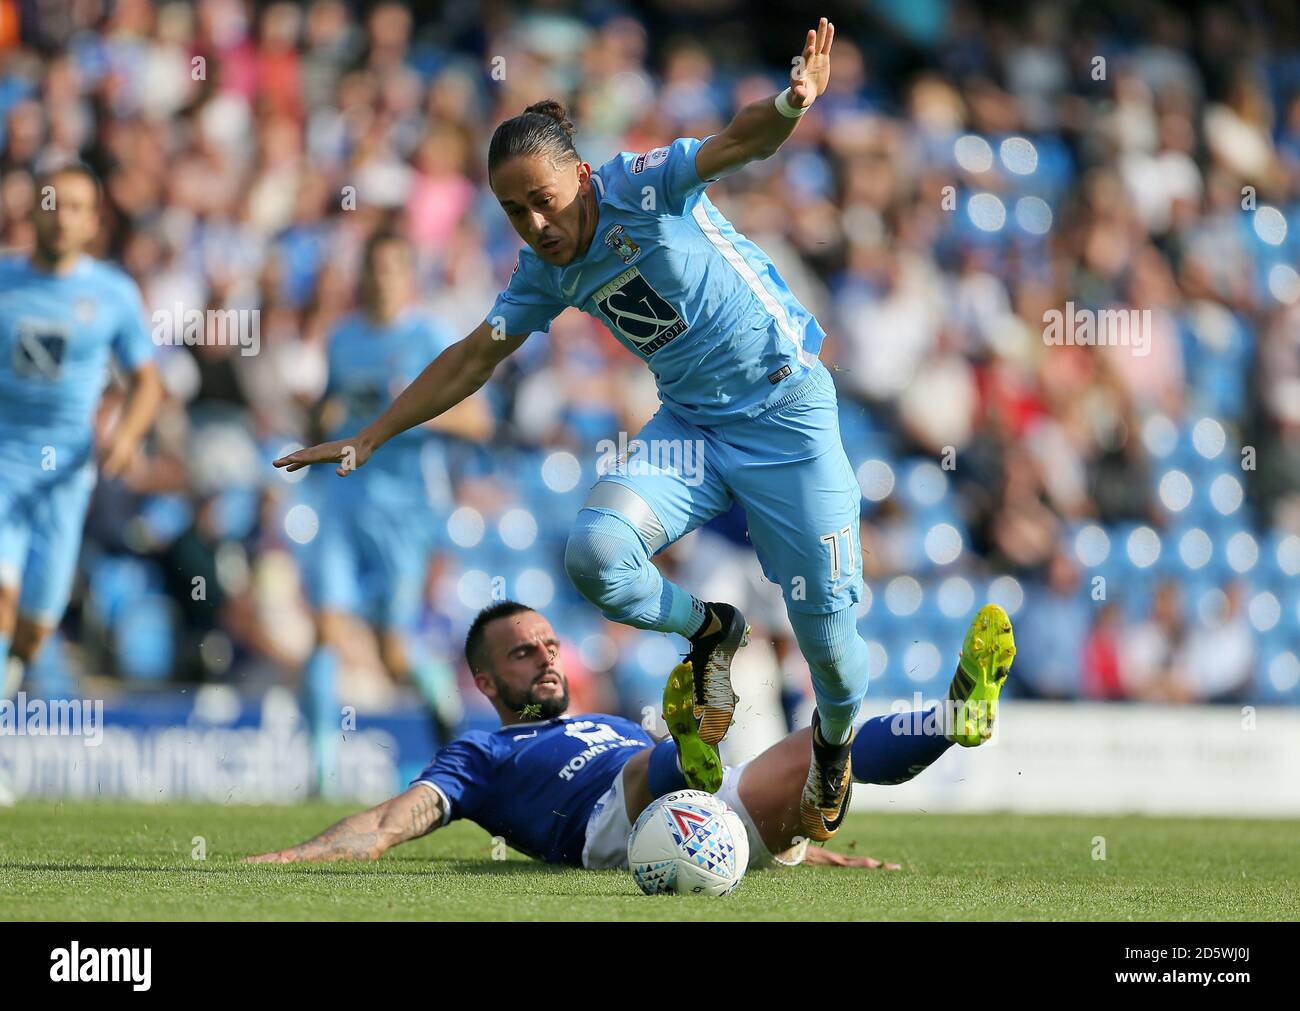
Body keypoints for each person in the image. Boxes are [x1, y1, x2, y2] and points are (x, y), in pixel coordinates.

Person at [274, 18, 1010, 840]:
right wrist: (373, 433)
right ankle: (713, 630)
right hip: (690, 428)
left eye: (542, 202)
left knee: (832, 648)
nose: (534, 225)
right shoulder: (540, 273)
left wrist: (791, 102)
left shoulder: (641, 183)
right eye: (514, 212)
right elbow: (473, 357)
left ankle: (834, 749)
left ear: (581, 177)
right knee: (593, 553)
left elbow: (739, 142)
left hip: (787, 414)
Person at [247, 600, 1016, 871]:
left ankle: (956, 714)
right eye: (524, 653)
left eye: (551, 645)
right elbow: (389, 820)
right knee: (656, 769)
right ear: (485, 684)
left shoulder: (604, 718)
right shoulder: (479, 752)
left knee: (821, 745)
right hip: (607, 826)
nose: (547, 658)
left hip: (698, 816)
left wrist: (811, 848)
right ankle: (694, 742)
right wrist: (298, 853)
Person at [295, 229, 492, 795]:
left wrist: (402, 415)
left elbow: (477, 423)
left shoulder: (430, 336)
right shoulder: (342, 338)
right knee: (326, 629)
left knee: (392, 651)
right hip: (343, 498)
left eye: (391, 269)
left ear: (408, 276)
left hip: (406, 511)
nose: (379, 279)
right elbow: (329, 413)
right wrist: (317, 420)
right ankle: (320, 775)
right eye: (372, 268)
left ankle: (444, 708)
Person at [0, 163, 162, 699]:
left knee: (33, 628)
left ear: (93, 222)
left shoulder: (112, 294)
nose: (62, 218)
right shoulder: (5, 278)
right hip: (3, 463)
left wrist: (128, 435)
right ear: (34, 212)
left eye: (75, 207)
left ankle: (12, 683)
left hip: (65, 478)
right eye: (52, 204)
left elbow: (147, 381)